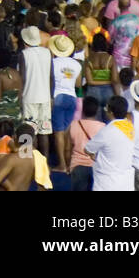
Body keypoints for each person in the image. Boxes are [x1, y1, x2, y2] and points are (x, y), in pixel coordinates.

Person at [85, 97, 137, 191]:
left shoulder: (107, 131)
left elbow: (88, 149)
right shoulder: (130, 127)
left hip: (107, 182)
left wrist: (94, 156)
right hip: (126, 182)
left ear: (111, 112)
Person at [48, 34, 82, 173]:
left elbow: (48, 81)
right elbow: (78, 84)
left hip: (58, 97)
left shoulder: (53, 63)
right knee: (67, 133)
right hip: (72, 98)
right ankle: (69, 164)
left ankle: (62, 165)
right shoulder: (76, 64)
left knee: (58, 133)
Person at [19, 25, 53, 157]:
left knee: (27, 132)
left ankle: (26, 160)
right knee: (44, 132)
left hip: (29, 97)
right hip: (45, 97)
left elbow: (22, 78)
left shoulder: (24, 54)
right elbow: (51, 77)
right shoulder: (47, 52)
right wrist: (51, 96)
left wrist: (19, 98)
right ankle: (45, 163)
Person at [68, 96, 106, 192]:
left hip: (77, 166)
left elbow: (67, 149)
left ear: (83, 109)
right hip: (96, 166)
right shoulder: (103, 127)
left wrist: (68, 165)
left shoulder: (73, 124)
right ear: (97, 110)